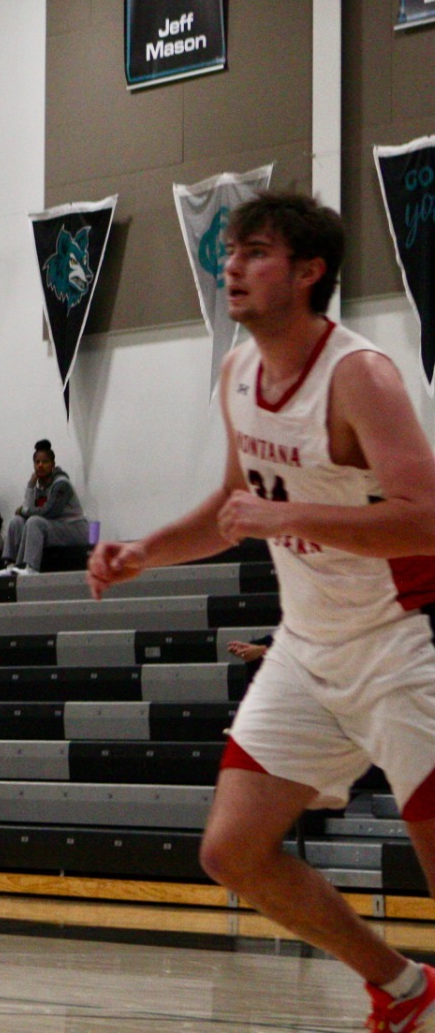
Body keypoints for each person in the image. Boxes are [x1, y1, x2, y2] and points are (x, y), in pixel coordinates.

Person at [87, 194, 435, 1033]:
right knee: (231, 850)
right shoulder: (237, 372)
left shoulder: (361, 376)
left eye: (255, 252)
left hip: (399, 643)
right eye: (231, 251)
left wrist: (294, 518)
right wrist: (147, 550)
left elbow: (426, 515)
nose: (231, 267)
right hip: (309, 651)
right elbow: (238, 503)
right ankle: (401, 984)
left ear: (309, 272)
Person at [0, 440, 88, 575]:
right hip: (54, 528)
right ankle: (11, 566)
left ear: (52, 464)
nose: (40, 465)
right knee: (17, 521)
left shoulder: (61, 484)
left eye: (45, 462)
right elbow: (27, 510)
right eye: (37, 462)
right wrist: (30, 486)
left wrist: (24, 510)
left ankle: (31, 568)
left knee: (34, 522)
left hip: (73, 529)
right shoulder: (38, 484)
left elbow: (49, 513)